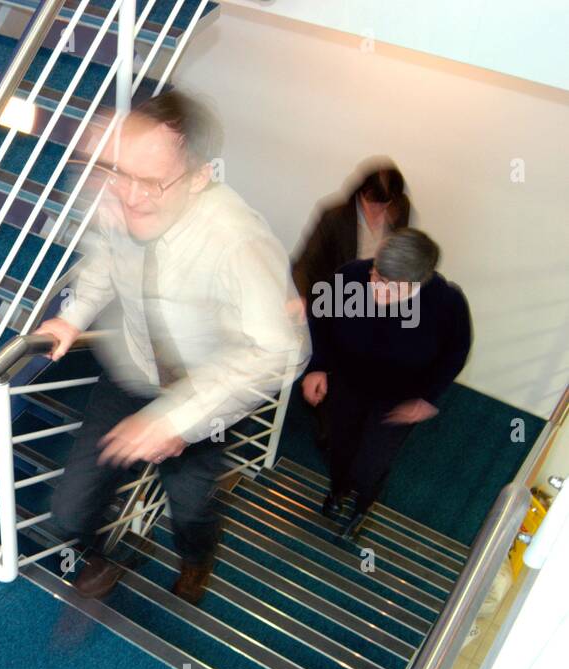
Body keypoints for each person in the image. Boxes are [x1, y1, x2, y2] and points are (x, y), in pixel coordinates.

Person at [36, 91, 308, 605]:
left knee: (191, 508)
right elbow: (102, 260)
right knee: (70, 510)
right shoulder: (120, 195)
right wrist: (72, 317)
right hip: (133, 370)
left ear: (200, 176)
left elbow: (281, 349)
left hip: (204, 393)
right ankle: (98, 559)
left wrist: (178, 420)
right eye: (120, 172)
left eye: (152, 182)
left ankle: (197, 559)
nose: (130, 196)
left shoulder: (237, 241)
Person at [300, 228, 472, 538]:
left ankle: (363, 505)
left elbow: (455, 353)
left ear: (419, 283)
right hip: (348, 382)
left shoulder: (446, 303)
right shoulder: (352, 276)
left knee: (371, 463)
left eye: (391, 287)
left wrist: (428, 397)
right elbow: (321, 321)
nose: (377, 289)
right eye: (376, 276)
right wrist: (318, 367)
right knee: (339, 448)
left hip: (400, 397)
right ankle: (338, 490)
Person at [291, 163, 411, 454]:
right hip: (336, 293)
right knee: (330, 355)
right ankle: (325, 415)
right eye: (373, 204)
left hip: (378, 297)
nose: (378, 213)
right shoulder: (335, 216)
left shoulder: (400, 209)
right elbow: (307, 260)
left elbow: (403, 253)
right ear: (362, 192)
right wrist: (303, 295)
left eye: (386, 206)